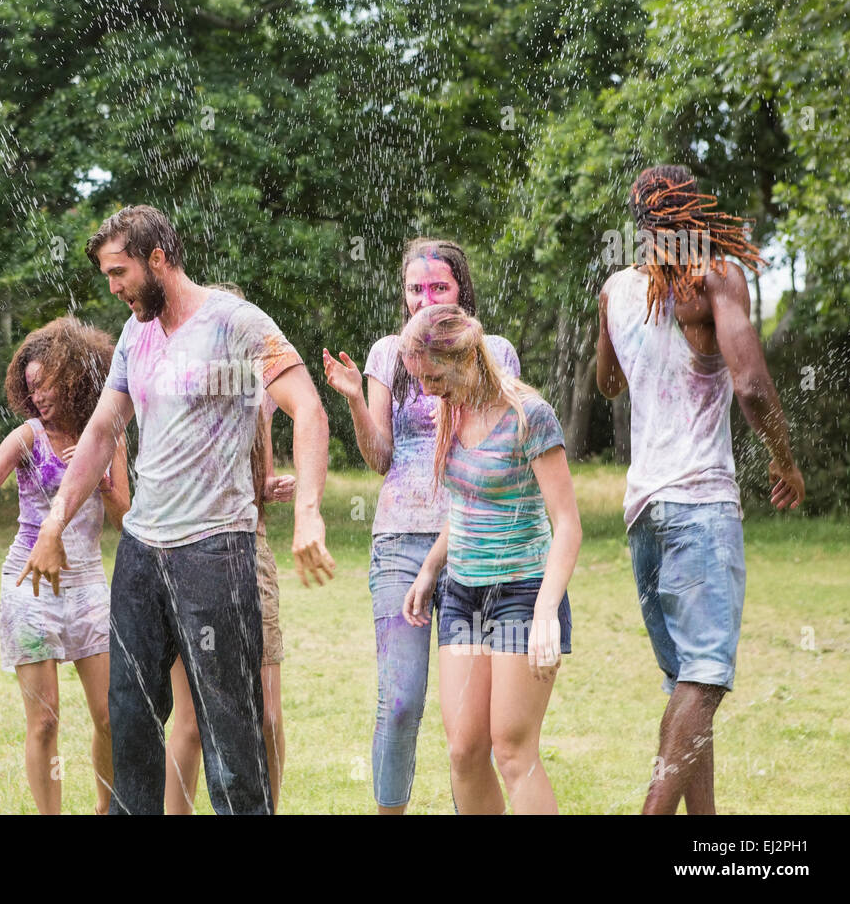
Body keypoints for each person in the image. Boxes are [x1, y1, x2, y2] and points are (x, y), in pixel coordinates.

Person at [20, 204, 335, 815]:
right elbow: (104, 429)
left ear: (158, 259)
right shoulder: (137, 334)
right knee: (129, 716)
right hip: (142, 553)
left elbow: (310, 410)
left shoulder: (236, 323)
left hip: (215, 549)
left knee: (229, 728)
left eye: (120, 273)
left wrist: (309, 515)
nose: (113, 289)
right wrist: (55, 520)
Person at [596, 164, 804, 814]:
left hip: (643, 517)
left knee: (688, 686)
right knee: (705, 679)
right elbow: (750, 386)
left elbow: (607, 384)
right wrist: (784, 460)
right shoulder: (714, 277)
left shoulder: (616, 290)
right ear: (697, 213)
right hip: (700, 507)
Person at [321, 240, 519, 814]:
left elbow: (502, 449)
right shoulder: (389, 353)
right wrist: (357, 401)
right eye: (416, 289)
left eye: (439, 288)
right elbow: (379, 456)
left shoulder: (495, 352)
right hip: (400, 541)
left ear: (462, 291)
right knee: (401, 700)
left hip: (475, 539)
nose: (426, 299)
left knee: (472, 723)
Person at [401, 304, 581, 815]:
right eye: (420, 380)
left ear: (464, 358)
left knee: (511, 749)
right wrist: (432, 567)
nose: (428, 391)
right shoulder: (450, 413)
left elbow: (567, 524)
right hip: (463, 593)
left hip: (522, 593)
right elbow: (466, 506)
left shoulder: (530, 416)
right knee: (463, 751)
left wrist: (546, 610)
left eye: (433, 376)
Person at [0, 316, 129, 815]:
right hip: (30, 588)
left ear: (77, 378)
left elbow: (125, 518)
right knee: (45, 721)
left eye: (48, 384)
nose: (38, 397)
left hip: (88, 590)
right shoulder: (28, 437)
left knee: (109, 715)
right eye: (31, 387)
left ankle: (107, 808)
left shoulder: (108, 434)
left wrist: (97, 477)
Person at [164, 281, 296, 814]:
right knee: (192, 718)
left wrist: (265, 486)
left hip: (248, 547)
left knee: (265, 711)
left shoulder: (262, 390)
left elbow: (242, 467)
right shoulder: (170, 383)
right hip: (179, 549)